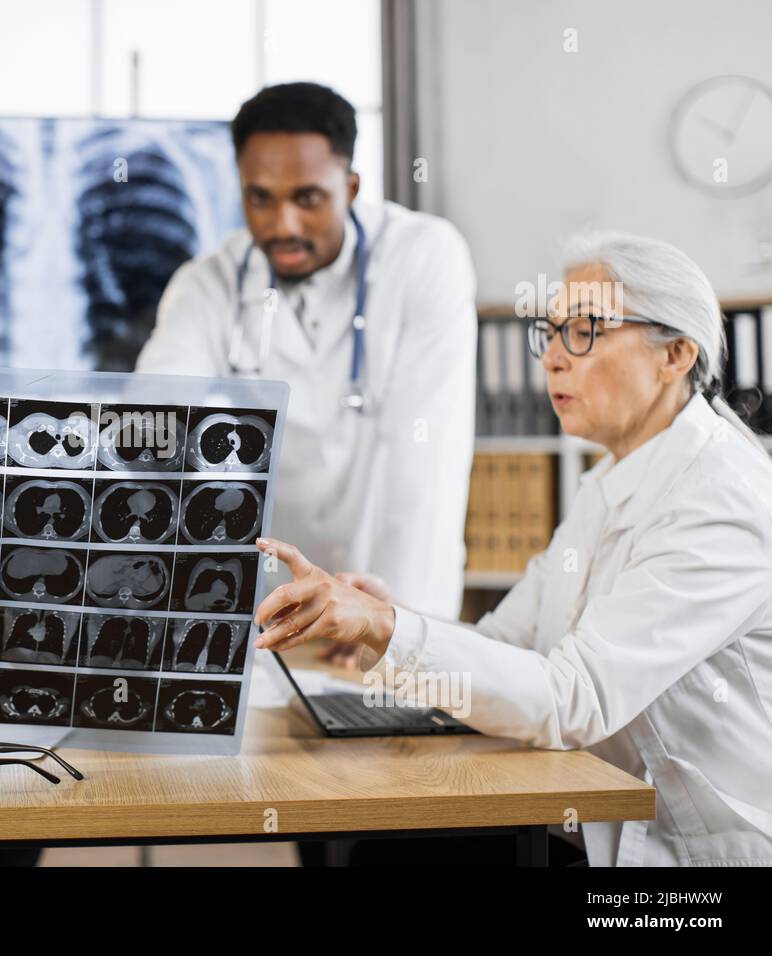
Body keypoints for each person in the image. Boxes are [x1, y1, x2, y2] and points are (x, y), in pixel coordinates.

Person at [254, 233, 772, 866]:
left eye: (583, 332)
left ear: (676, 354)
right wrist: (388, 625)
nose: (553, 358)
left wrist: (390, 629)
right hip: (590, 818)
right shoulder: (610, 479)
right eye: (549, 334)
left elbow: (574, 697)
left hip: (688, 867)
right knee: (368, 847)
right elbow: (510, 643)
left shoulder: (722, 499)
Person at [136, 81, 477, 619]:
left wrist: (397, 622)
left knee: (384, 699)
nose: (282, 225)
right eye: (260, 198)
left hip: (384, 572)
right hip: (256, 590)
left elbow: (427, 460)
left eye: (308, 199)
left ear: (352, 186)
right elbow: (155, 422)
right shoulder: (207, 283)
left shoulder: (424, 258)